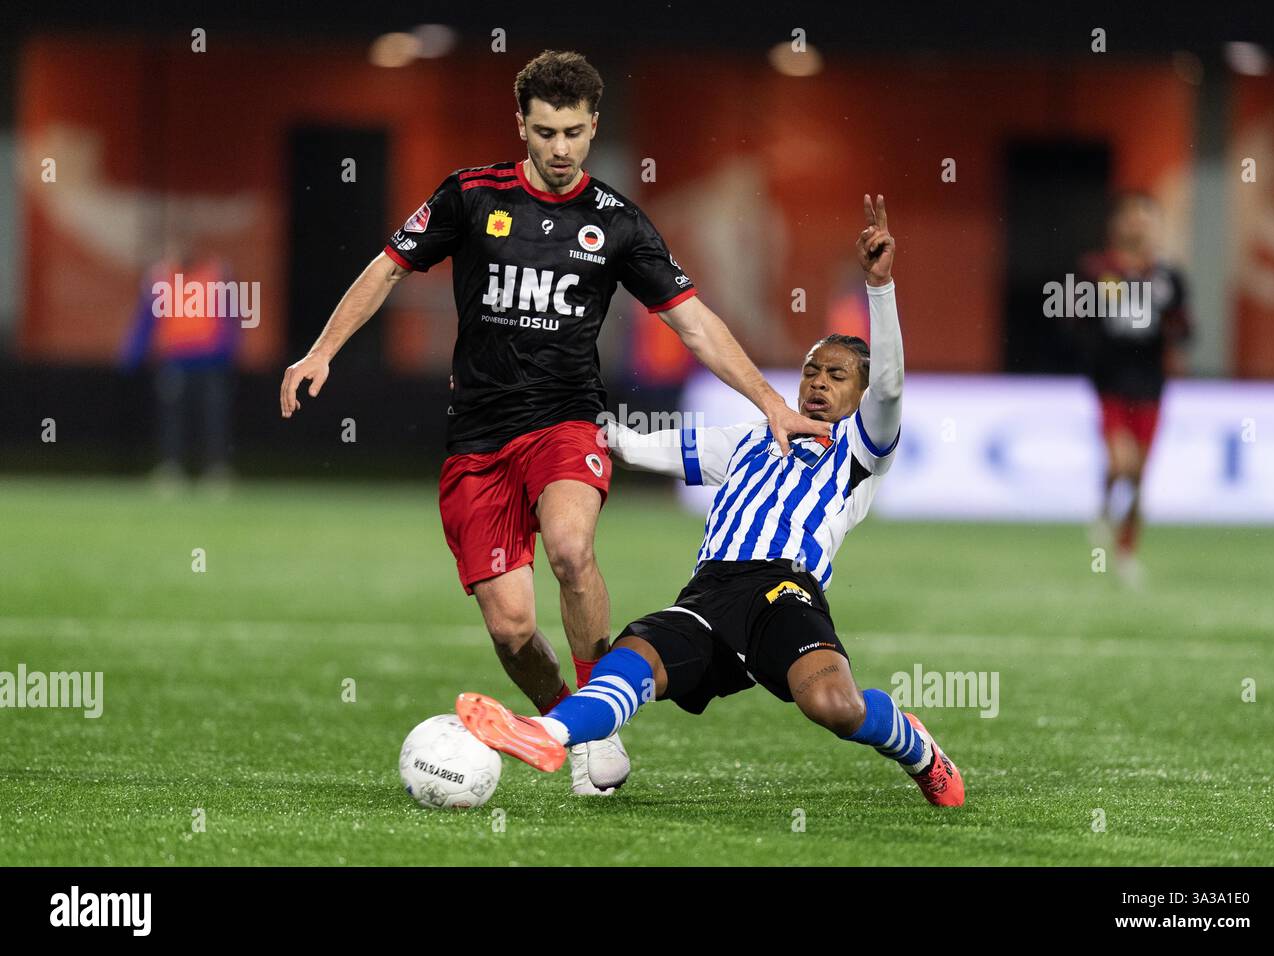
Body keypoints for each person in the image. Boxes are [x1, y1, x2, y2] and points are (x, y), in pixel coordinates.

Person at [279, 50, 827, 795]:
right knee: (509, 629)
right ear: (522, 126)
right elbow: (386, 268)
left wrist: (770, 402)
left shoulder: (618, 223)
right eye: (545, 132)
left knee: (571, 550)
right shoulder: (469, 197)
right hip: (477, 438)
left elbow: (693, 322)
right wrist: (322, 351)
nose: (560, 149)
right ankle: (565, 723)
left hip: (568, 421)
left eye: (573, 132)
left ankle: (601, 718)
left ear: (593, 125)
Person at [456, 195, 966, 807]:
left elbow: (890, 385)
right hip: (707, 595)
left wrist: (878, 287)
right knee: (632, 659)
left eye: (836, 376)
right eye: (811, 372)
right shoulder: (751, 438)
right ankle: (543, 732)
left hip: (783, 592)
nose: (819, 384)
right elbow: (640, 447)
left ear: (859, 392)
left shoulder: (862, 448)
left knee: (834, 706)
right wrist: (579, 425)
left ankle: (918, 750)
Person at [1076, 192, 1192, 587]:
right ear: (1117, 225)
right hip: (1111, 383)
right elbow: (1076, 322)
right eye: (1132, 218)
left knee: (1141, 475)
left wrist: (1171, 324)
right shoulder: (1097, 271)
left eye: (1146, 218)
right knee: (1120, 464)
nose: (1138, 225)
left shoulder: (1167, 277)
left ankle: (1126, 553)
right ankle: (1105, 510)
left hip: (1151, 385)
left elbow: (1185, 327)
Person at [121, 243, 237, 493]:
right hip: (175, 361)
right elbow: (146, 320)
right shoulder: (161, 278)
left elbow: (231, 319)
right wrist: (131, 355)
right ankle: (171, 469)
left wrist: (230, 355)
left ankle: (215, 471)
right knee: (172, 420)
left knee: (213, 418)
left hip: (210, 361)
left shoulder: (216, 274)